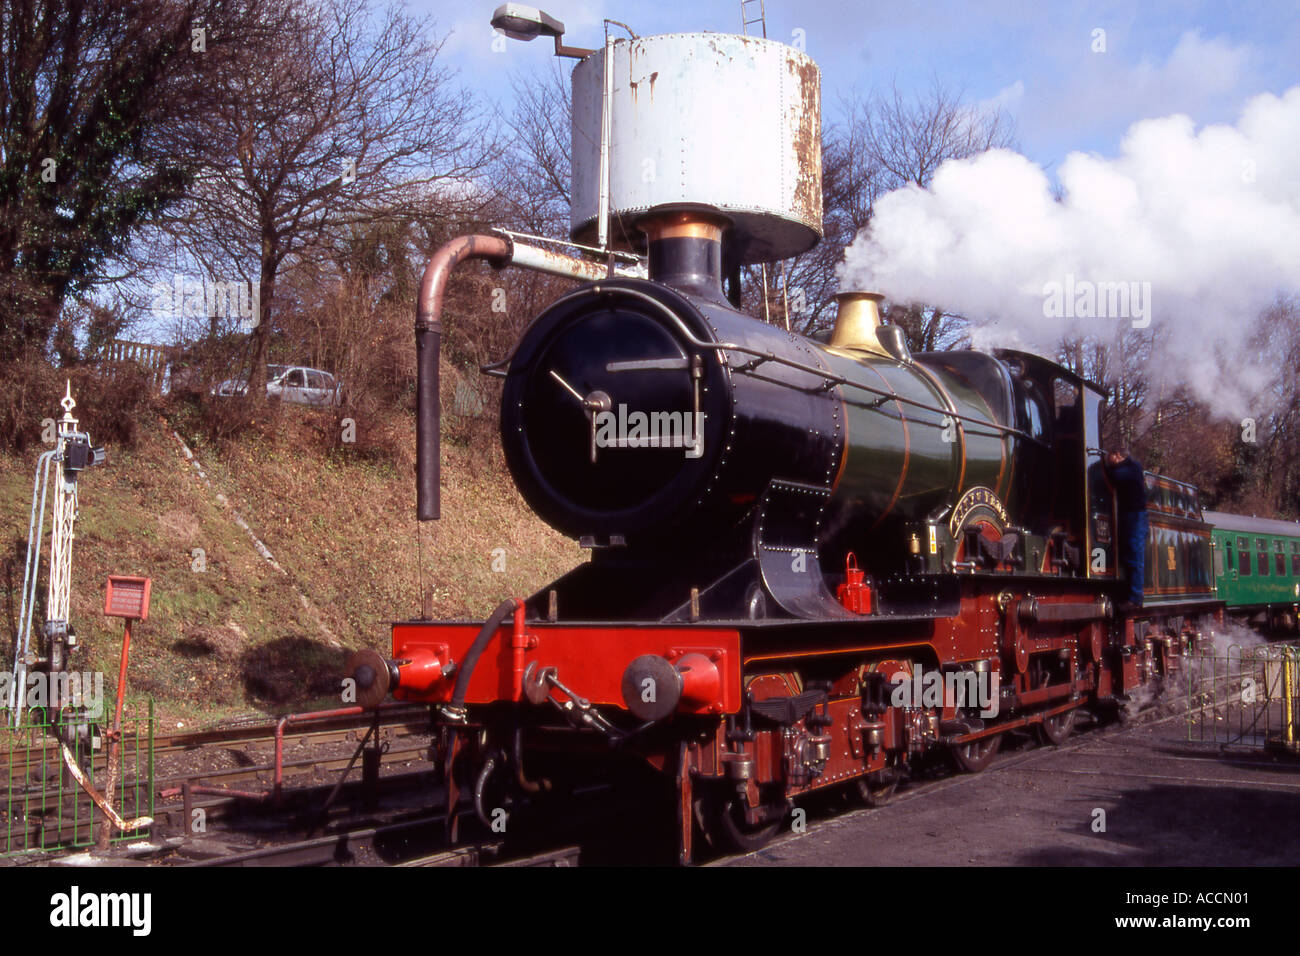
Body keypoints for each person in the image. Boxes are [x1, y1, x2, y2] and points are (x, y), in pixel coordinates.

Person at [1106, 450, 1148, 608]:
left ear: (1117, 455)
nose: (1108, 461)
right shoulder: (1129, 468)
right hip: (1127, 516)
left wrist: (1106, 468)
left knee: (1135, 555)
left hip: (1136, 516)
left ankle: (1136, 597)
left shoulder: (1133, 468)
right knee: (1125, 556)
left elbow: (1116, 477)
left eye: (1109, 458)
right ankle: (1126, 594)